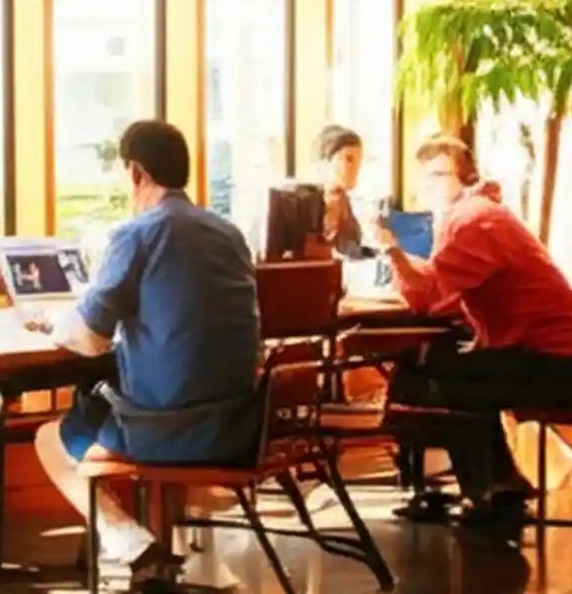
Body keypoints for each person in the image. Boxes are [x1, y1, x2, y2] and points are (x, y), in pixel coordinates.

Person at [25, 121, 262, 585]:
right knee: (116, 401)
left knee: (51, 439)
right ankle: (156, 551)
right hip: (240, 424)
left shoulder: (137, 234)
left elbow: (89, 338)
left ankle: (137, 549)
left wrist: (55, 323)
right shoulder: (229, 234)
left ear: (135, 173)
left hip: (168, 429)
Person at [374, 135, 572, 541]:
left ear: (466, 175)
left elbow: (431, 298)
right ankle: (493, 487)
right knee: (432, 370)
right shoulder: (477, 215)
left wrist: (392, 252)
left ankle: (481, 488)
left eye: (439, 175)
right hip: (566, 360)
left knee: (426, 379)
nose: (430, 187)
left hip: (565, 364)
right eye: (425, 178)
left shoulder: (474, 219)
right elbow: (439, 294)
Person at [313, 124, 371, 259]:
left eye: (359, 161)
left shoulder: (344, 204)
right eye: (349, 159)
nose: (356, 168)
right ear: (325, 162)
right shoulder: (306, 204)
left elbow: (349, 249)